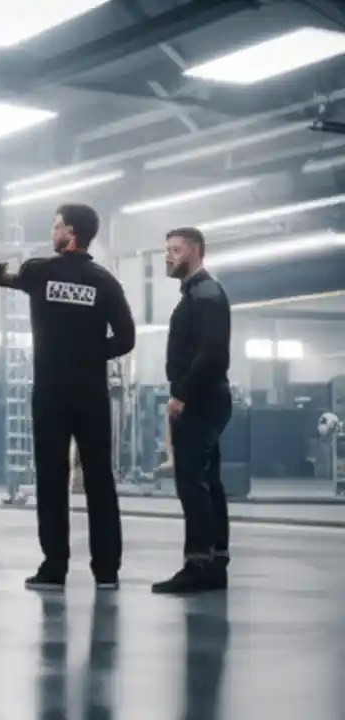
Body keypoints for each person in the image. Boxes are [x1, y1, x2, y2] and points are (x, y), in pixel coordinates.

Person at [0, 204, 135, 591]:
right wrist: (89, 352)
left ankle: (54, 569)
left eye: (56, 225)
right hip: (91, 397)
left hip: (52, 396)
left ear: (70, 233)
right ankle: (107, 571)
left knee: (52, 481)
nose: (52, 232)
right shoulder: (105, 282)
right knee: (100, 481)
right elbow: (126, 339)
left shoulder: (41, 272)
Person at [153, 227, 232, 594]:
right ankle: (214, 564)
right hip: (206, 397)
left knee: (193, 484)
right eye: (167, 250)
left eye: (176, 250)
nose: (168, 256)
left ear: (196, 252)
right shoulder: (198, 294)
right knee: (207, 483)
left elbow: (212, 352)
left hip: (200, 400)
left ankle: (198, 565)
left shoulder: (206, 294)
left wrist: (182, 394)